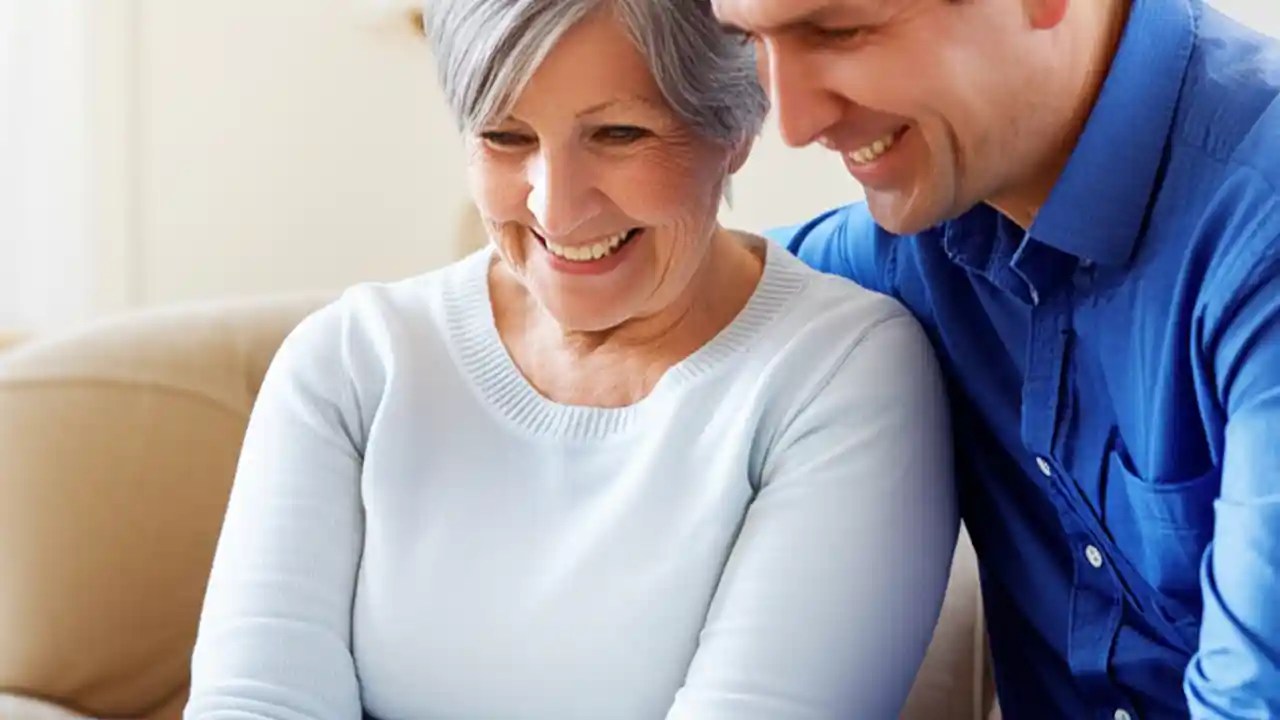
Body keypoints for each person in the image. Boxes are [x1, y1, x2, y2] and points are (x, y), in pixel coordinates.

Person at [184, 1, 957, 718]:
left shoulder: (837, 376)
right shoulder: (352, 365)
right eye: (504, 136)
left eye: (620, 135)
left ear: (735, 128)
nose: (554, 207)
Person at [710, 0, 1280, 716]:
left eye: (838, 31)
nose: (793, 124)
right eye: (747, 40)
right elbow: (688, 288)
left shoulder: (1258, 229)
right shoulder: (925, 234)